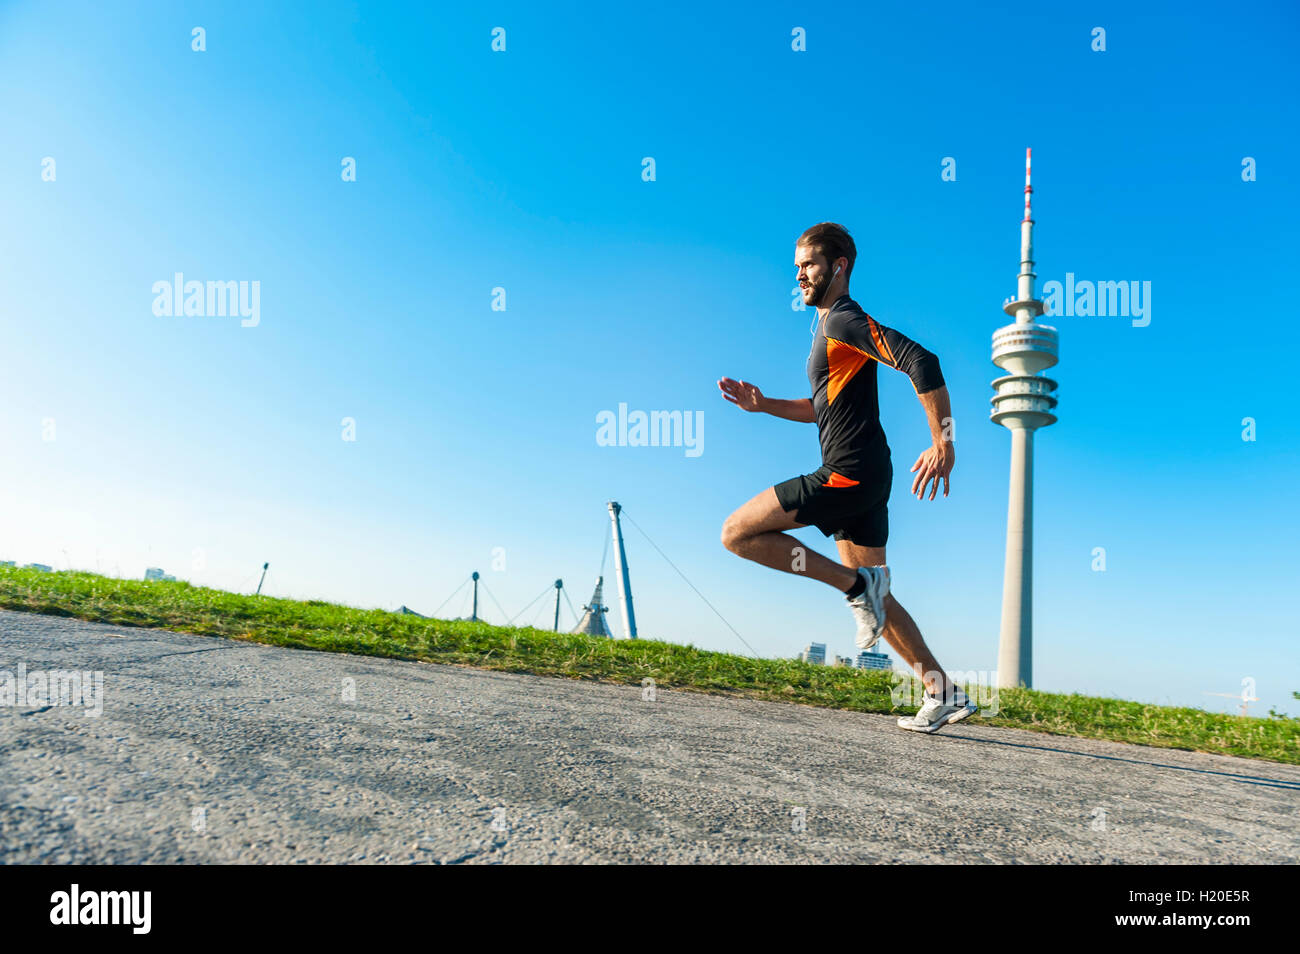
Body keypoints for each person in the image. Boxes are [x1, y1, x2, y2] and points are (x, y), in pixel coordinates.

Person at [719, 222, 976, 733]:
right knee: (880, 593)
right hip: (866, 472)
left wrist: (943, 441)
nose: (800, 275)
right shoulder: (828, 329)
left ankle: (852, 585)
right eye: (796, 267)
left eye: (809, 265)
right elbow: (822, 408)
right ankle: (941, 692)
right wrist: (764, 404)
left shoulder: (844, 320)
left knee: (738, 534)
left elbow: (922, 361)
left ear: (839, 267)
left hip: (849, 472)